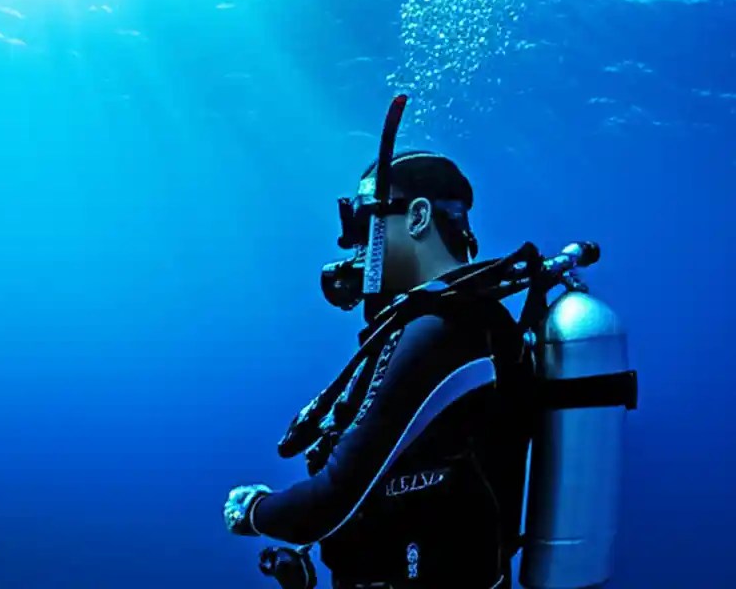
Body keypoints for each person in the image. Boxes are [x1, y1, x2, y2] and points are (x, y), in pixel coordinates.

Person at [222, 96, 637, 589]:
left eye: (366, 223)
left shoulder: (443, 330)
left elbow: (330, 502)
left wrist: (254, 510)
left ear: (418, 217)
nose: (358, 248)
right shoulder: (467, 323)